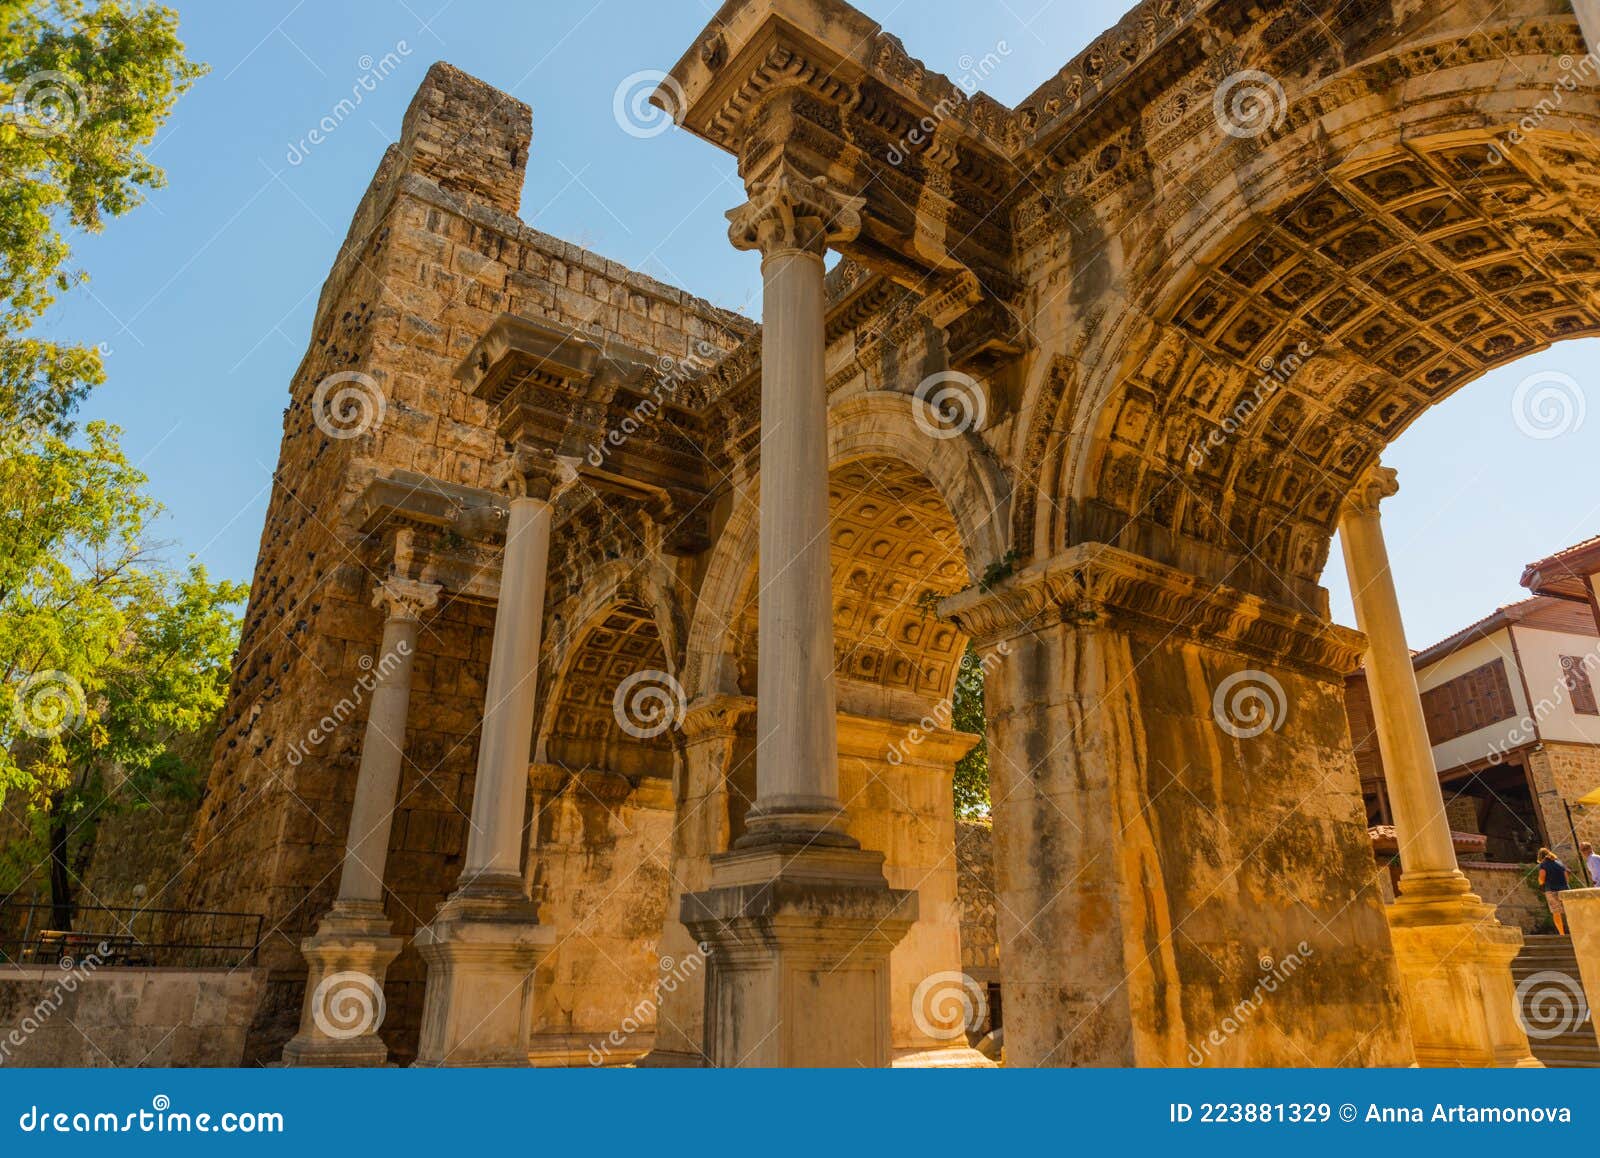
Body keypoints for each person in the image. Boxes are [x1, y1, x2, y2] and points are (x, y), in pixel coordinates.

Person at [1538, 848, 1570, 936]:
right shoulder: (1559, 863)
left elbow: (1541, 878)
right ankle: (1573, 929)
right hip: (1564, 889)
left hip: (1551, 890)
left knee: (1556, 913)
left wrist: (1541, 884)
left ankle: (1562, 933)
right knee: (1568, 911)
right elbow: (1566, 876)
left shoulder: (1543, 865)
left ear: (1540, 857)